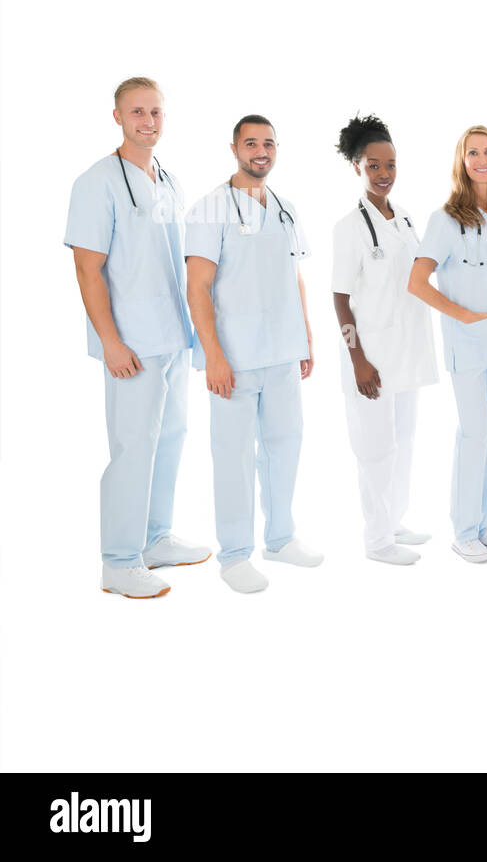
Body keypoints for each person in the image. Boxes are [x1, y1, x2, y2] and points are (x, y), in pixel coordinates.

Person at [65, 77, 210, 599]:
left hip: (173, 336)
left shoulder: (170, 181)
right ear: (118, 117)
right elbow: (88, 269)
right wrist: (110, 340)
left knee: (169, 440)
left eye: (156, 112)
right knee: (132, 448)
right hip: (130, 343)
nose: (148, 121)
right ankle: (119, 561)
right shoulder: (98, 181)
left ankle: (154, 539)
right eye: (137, 112)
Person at [185, 115, 321, 594]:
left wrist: (305, 336)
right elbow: (197, 288)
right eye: (251, 143)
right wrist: (213, 355)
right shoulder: (210, 209)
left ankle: (280, 539)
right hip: (235, 359)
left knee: (286, 447)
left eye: (268, 143)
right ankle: (235, 555)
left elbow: (295, 276)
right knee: (234, 456)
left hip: (283, 353)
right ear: (234, 148)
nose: (260, 151)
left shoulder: (286, 209)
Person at [409, 126, 487, 563]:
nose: (482, 159)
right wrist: (466, 316)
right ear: (461, 161)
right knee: (474, 434)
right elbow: (417, 282)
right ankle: (462, 530)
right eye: (472, 152)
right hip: (469, 345)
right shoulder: (446, 219)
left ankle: (483, 523)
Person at [332, 115, 438, 567]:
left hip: (407, 351)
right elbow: (340, 299)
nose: (384, 173)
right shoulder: (349, 227)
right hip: (371, 355)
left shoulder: (405, 217)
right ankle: (376, 542)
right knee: (375, 449)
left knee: (405, 439)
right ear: (357, 166)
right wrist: (357, 359)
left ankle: (394, 521)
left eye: (390, 164)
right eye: (373, 165)